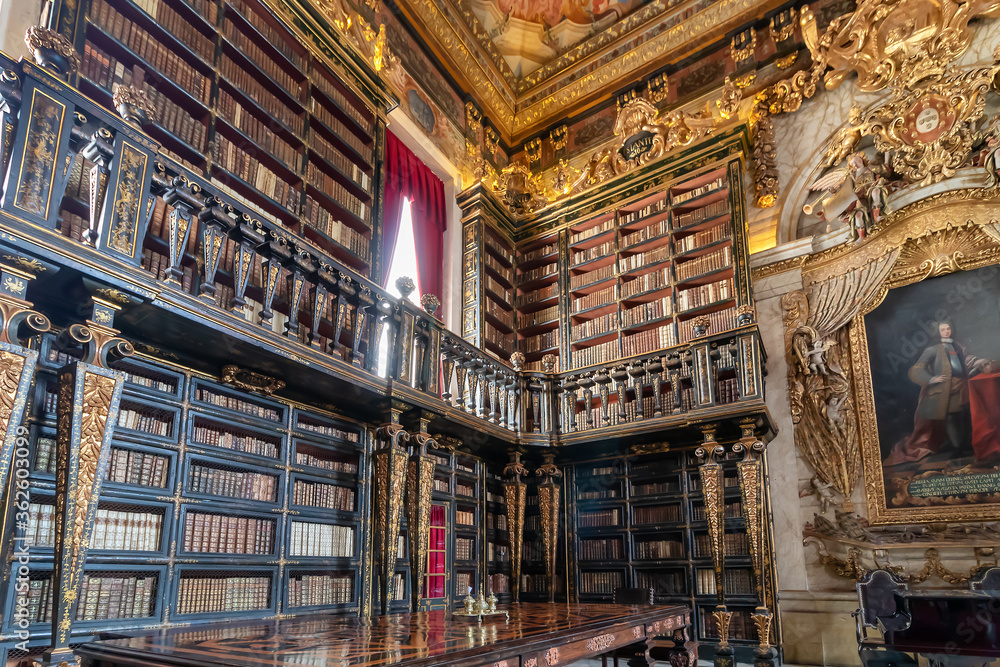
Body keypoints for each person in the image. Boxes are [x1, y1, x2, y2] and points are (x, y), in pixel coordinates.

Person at [884, 321, 992, 465]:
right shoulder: (933, 350)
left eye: (948, 328)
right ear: (938, 332)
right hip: (945, 391)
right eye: (943, 329)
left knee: (965, 415)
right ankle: (957, 448)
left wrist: (983, 363)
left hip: (963, 388)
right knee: (952, 417)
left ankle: (965, 444)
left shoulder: (958, 347)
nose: (946, 331)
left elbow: (968, 361)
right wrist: (931, 379)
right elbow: (916, 370)